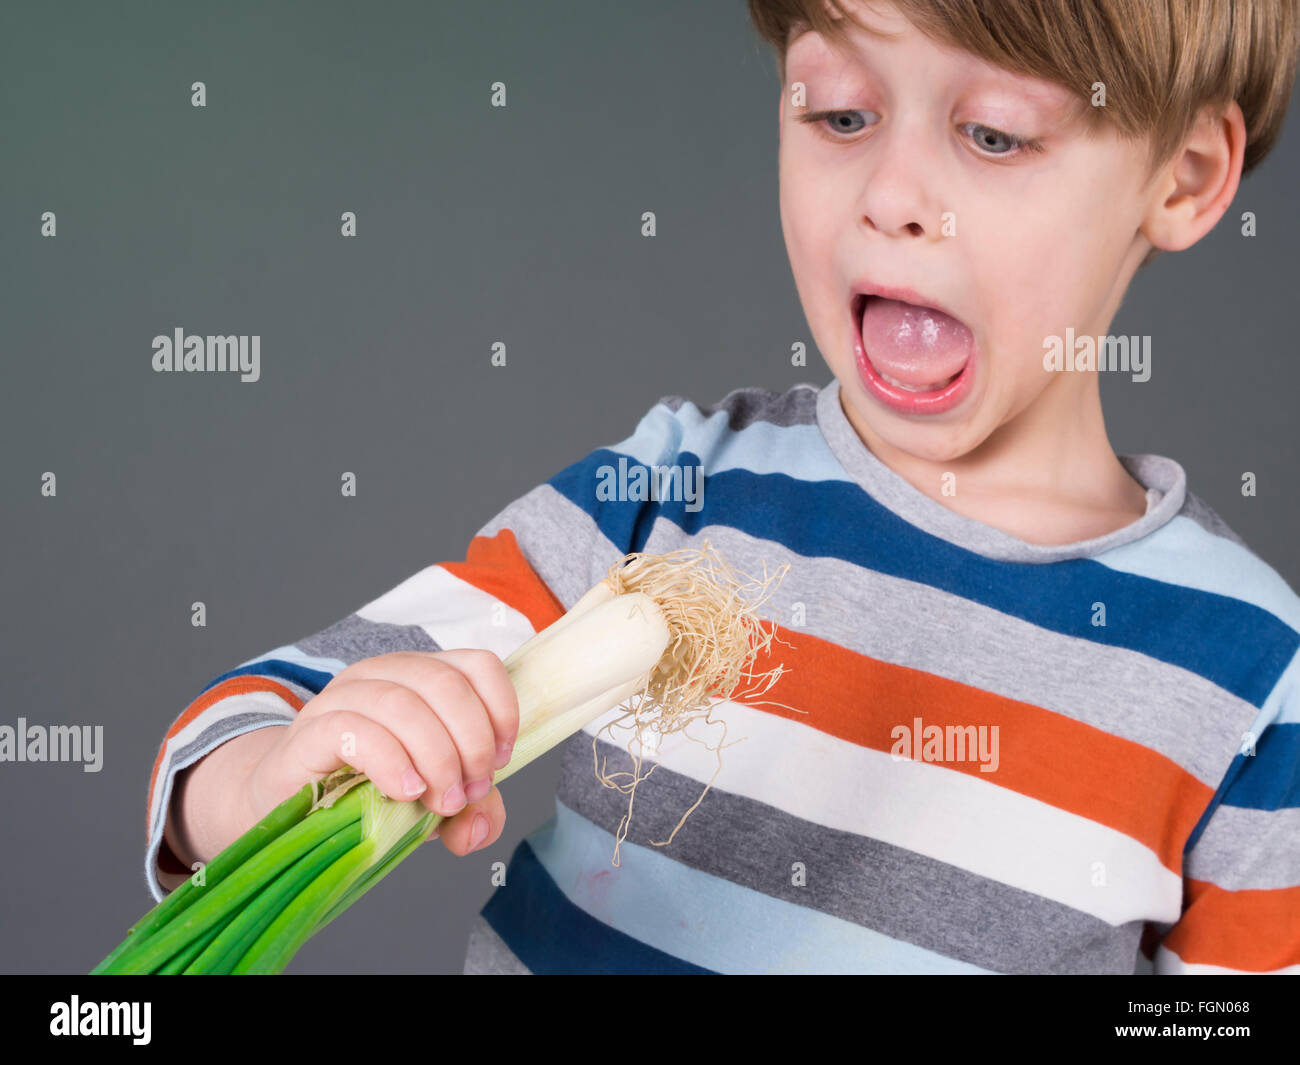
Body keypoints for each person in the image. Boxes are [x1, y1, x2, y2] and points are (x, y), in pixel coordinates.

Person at [145, 0, 1300, 973]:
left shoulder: (1250, 675)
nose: (892, 194)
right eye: (840, 114)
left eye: (993, 135)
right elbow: (235, 743)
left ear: (1186, 177)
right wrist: (270, 780)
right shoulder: (669, 498)